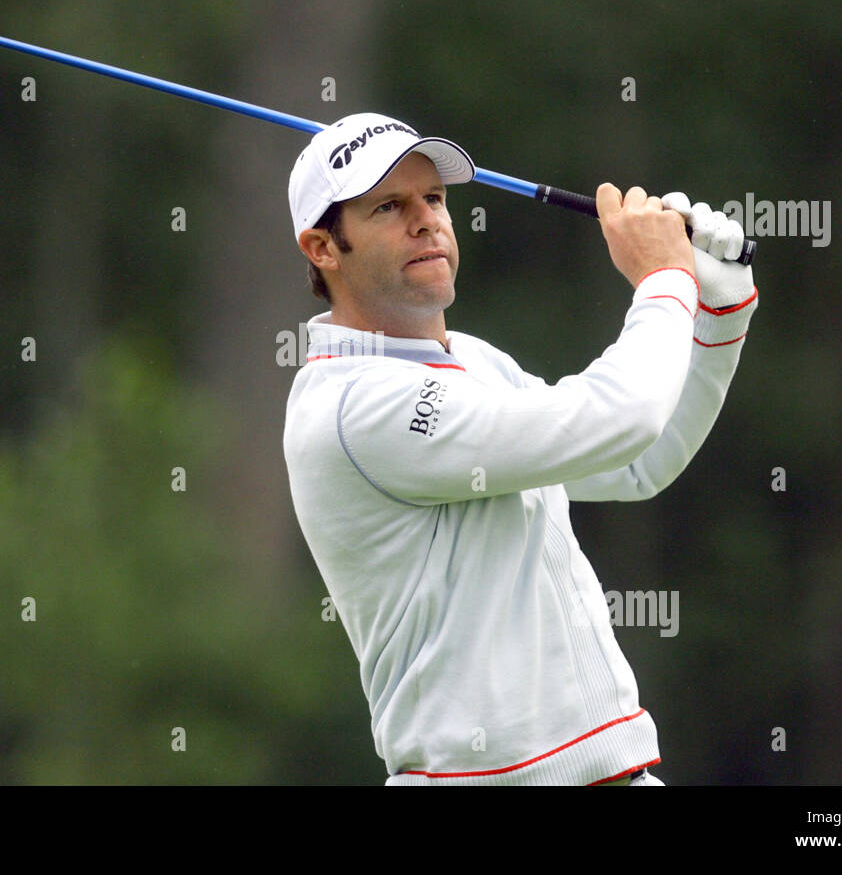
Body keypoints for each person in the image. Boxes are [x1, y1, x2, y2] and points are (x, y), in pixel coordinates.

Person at [282, 113, 757, 785]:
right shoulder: (354, 405)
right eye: (388, 206)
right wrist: (663, 281)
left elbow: (635, 461)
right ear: (323, 248)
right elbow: (618, 419)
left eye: (435, 199)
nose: (426, 220)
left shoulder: (469, 360)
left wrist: (719, 309)